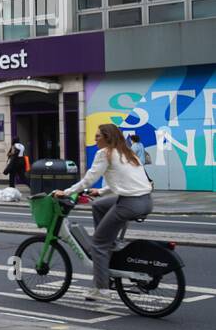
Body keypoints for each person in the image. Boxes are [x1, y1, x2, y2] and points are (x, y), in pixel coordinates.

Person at [54, 124, 154, 302]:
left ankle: (102, 288)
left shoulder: (105, 153)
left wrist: (66, 192)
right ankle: (111, 244)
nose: (95, 139)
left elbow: (89, 179)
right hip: (145, 201)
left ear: (108, 138)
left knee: (98, 244)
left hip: (129, 203)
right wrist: (100, 192)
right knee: (99, 205)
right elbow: (125, 180)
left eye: (98, 136)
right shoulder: (127, 153)